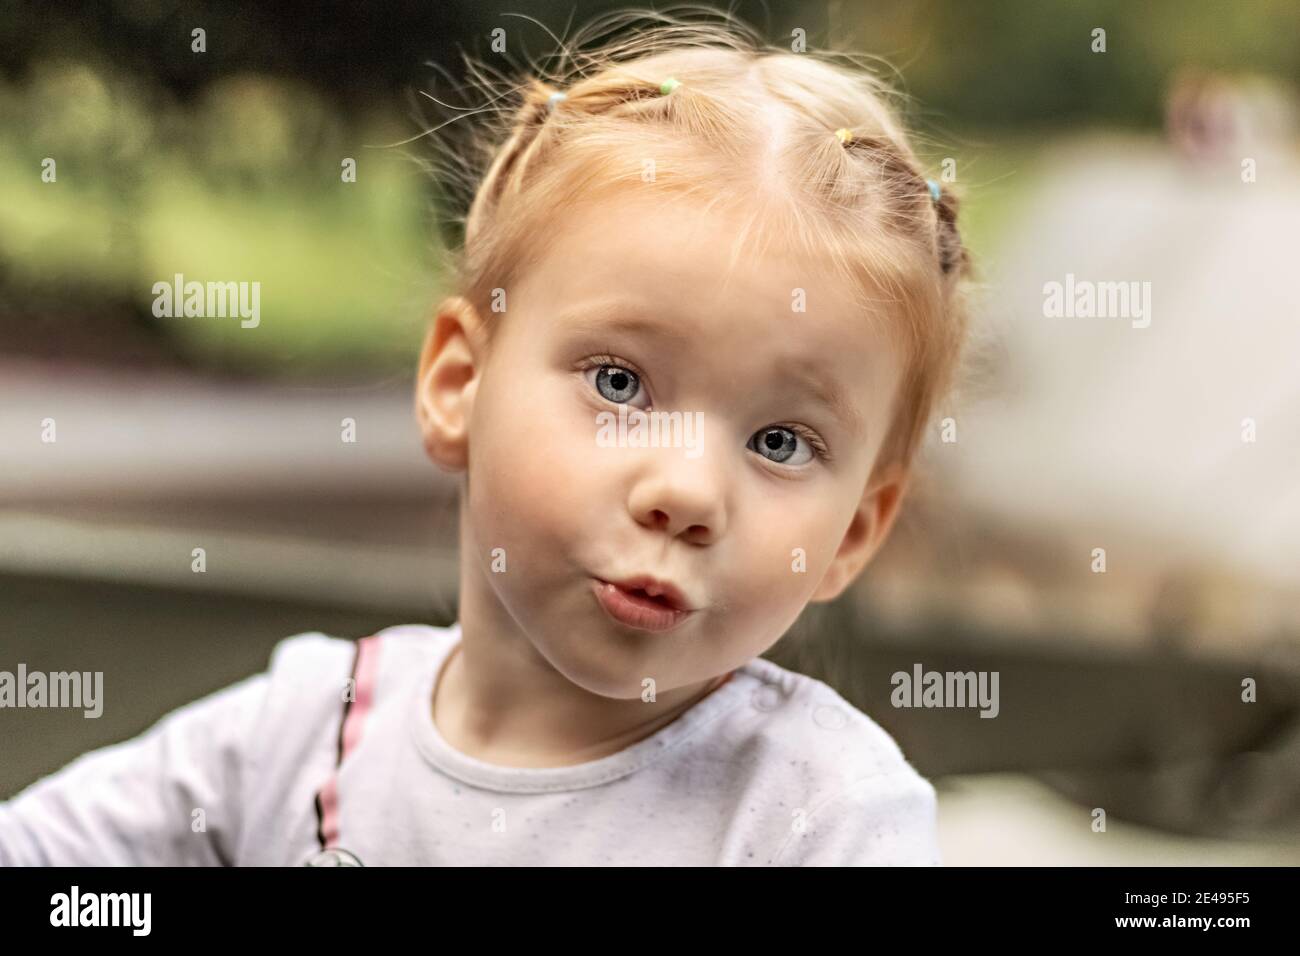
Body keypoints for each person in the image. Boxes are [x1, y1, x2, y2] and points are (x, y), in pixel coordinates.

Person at [0, 10, 971, 866]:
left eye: (781, 441)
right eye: (620, 382)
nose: (687, 488)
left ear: (852, 532)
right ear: (459, 384)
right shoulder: (310, 730)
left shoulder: (822, 816)